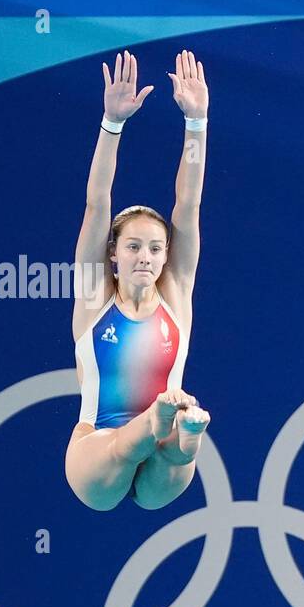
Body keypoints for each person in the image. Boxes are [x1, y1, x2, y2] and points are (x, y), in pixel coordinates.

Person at [65, 49, 212, 511]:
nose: (145, 257)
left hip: (163, 461)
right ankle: (167, 422)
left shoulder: (176, 293)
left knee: (175, 451)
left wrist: (197, 121)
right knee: (123, 447)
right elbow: (96, 203)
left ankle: (181, 431)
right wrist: (112, 124)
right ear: (112, 253)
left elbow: (187, 206)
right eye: (132, 246)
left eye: (155, 248)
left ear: (168, 256)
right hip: (98, 446)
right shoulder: (93, 297)